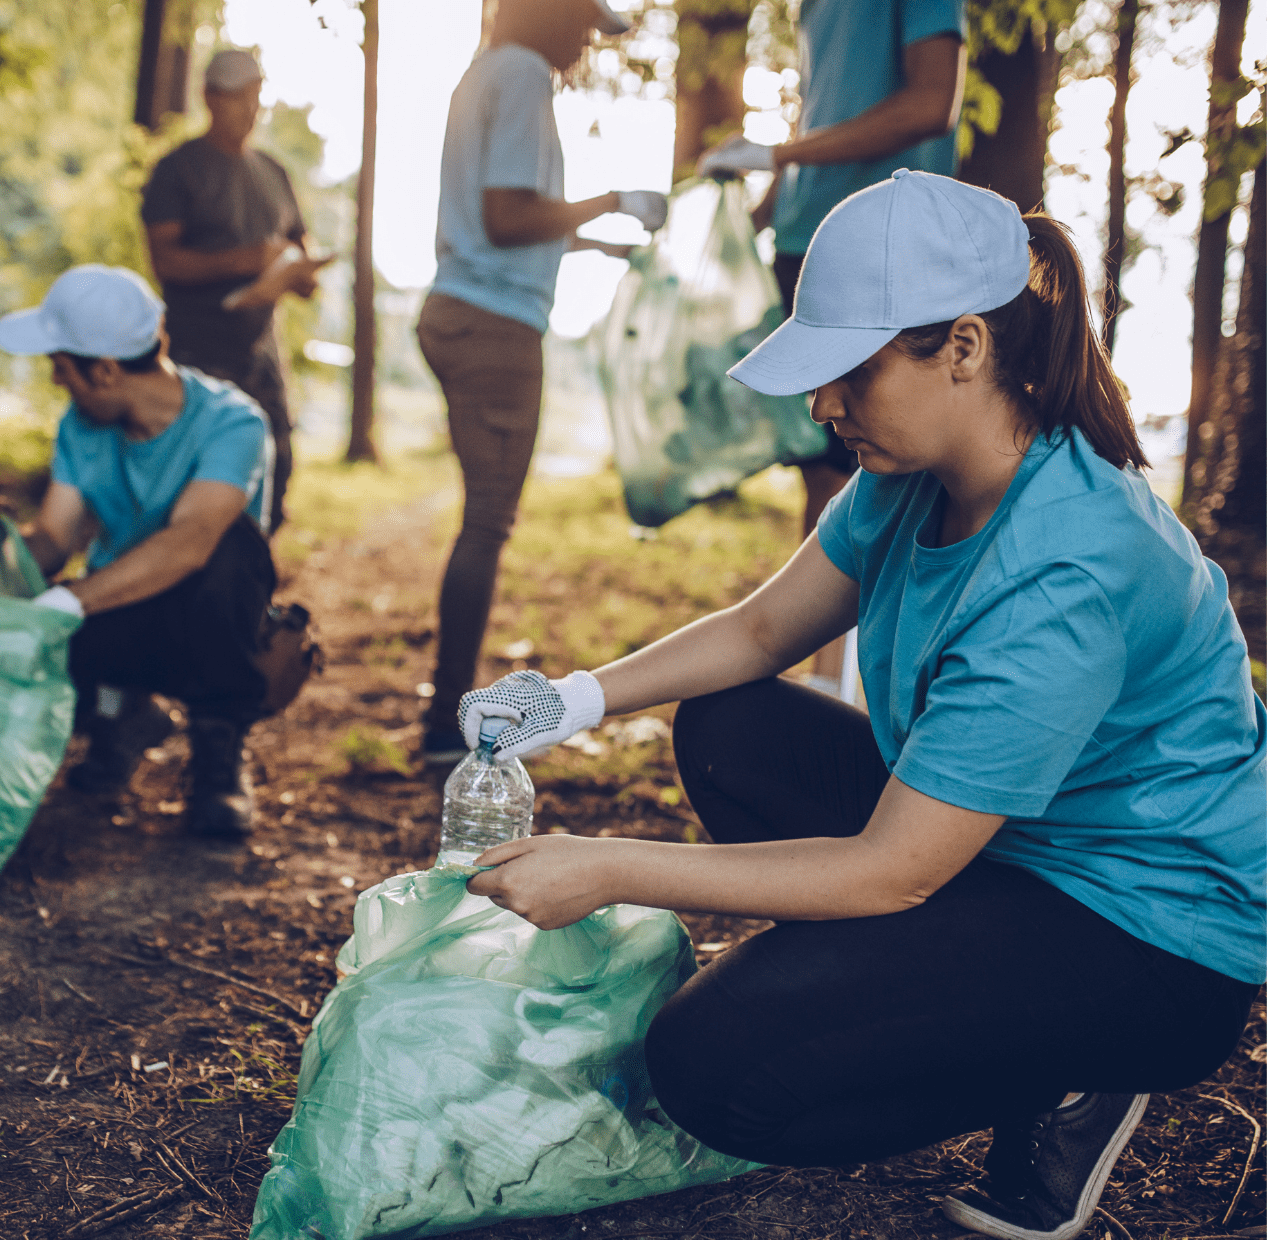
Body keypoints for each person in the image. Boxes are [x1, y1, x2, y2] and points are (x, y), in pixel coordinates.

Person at [454, 172, 1265, 1240]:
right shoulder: (909, 475)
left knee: (709, 1071)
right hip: (1003, 849)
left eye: (851, 371)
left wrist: (605, 865)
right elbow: (759, 632)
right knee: (729, 721)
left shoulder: (1069, 567)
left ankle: (1069, 1071)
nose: (822, 406)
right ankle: (888, 990)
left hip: (1144, 938)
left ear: (963, 347)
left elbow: (894, 870)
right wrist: (569, 699)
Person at [416, 0, 670, 765]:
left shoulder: (486, 72)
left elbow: (503, 218)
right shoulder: (524, 75)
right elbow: (507, 218)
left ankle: (444, 708)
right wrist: (615, 200)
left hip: (462, 307)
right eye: (583, 23)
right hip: (493, 323)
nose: (588, 41)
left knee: (484, 520)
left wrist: (601, 244)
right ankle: (444, 724)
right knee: (487, 523)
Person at [698, 0, 965, 690]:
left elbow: (931, 103)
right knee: (827, 470)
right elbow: (826, 111)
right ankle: (827, 680)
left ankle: (888, 686)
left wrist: (780, 153)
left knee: (897, 469)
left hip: (882, 243)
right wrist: (759, 206)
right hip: (805, 241)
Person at [0, 266, 276, 841]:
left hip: (207, 620)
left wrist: (71, 601)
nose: (56, 379)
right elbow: (52, 539)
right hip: (118, 607)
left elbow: (190, 543)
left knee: (230, 549)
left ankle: (219, 758)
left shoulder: (234, 422)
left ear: (103, 370)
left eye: (61, 366)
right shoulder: (80, 426)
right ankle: (123, 716)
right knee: (41, 645)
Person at [140, 47, 329, 536]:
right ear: (209, 97)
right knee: (191, 480)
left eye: (255, 96)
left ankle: (252, 571)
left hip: (261, 354)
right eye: (236, 97)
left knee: (275, 471)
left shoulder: (274, 173)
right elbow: (165, 261)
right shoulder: (178, 169)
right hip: (195, 352)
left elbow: (299, 250)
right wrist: (246, 260)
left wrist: (301, 274)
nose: (249, 109)